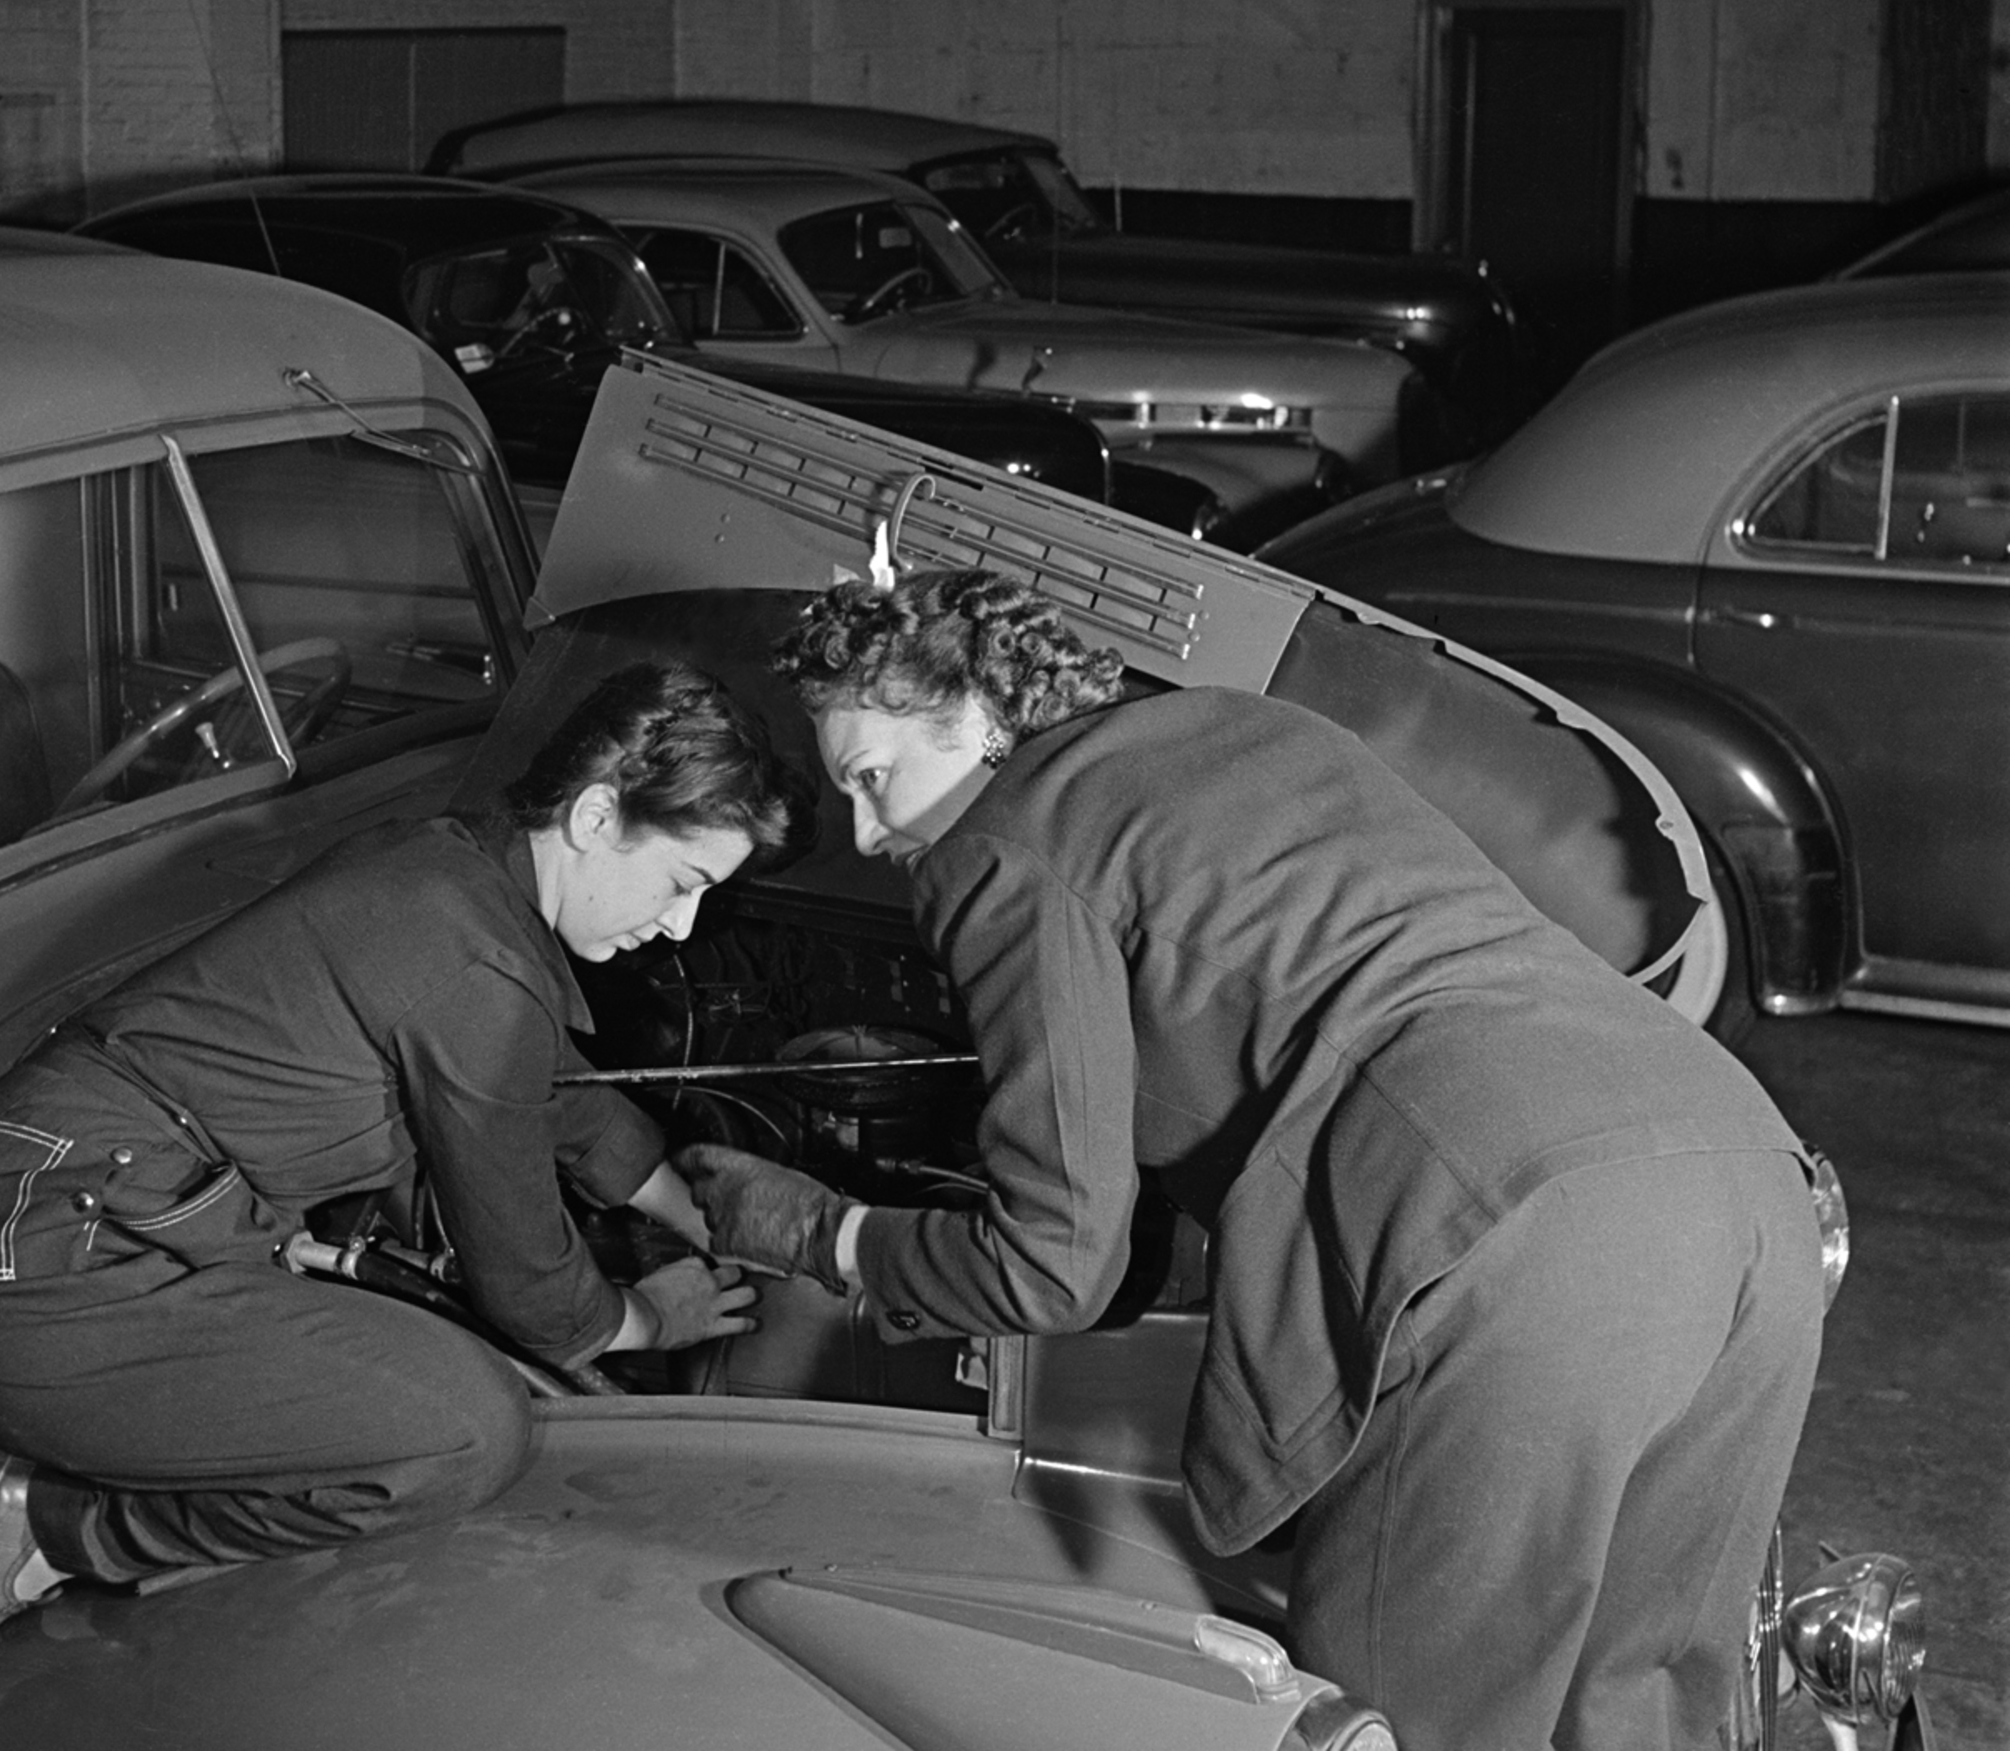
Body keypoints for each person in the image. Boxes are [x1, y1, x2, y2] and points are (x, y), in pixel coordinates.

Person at [681, 569, 1824, 1751]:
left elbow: (1051, 1263)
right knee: (1642, 1707)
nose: (868, 835)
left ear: (976, 718)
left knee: (1404, 1722)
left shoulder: (1004, 842)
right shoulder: (1246, 727)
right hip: (1744, 1168)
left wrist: (824, 1232)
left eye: (872, 777)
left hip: (1513, 1228)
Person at [0, 660, 793, 1749]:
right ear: (597, 817)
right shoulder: (476, 968)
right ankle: (53, 1524)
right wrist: (645, 1319)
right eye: (682, 881)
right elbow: (530, 1286)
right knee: (463, 1432)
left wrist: (695, 1205)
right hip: (50, 1261)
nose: (681, 926)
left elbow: (547, 1094)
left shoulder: (446, 871)